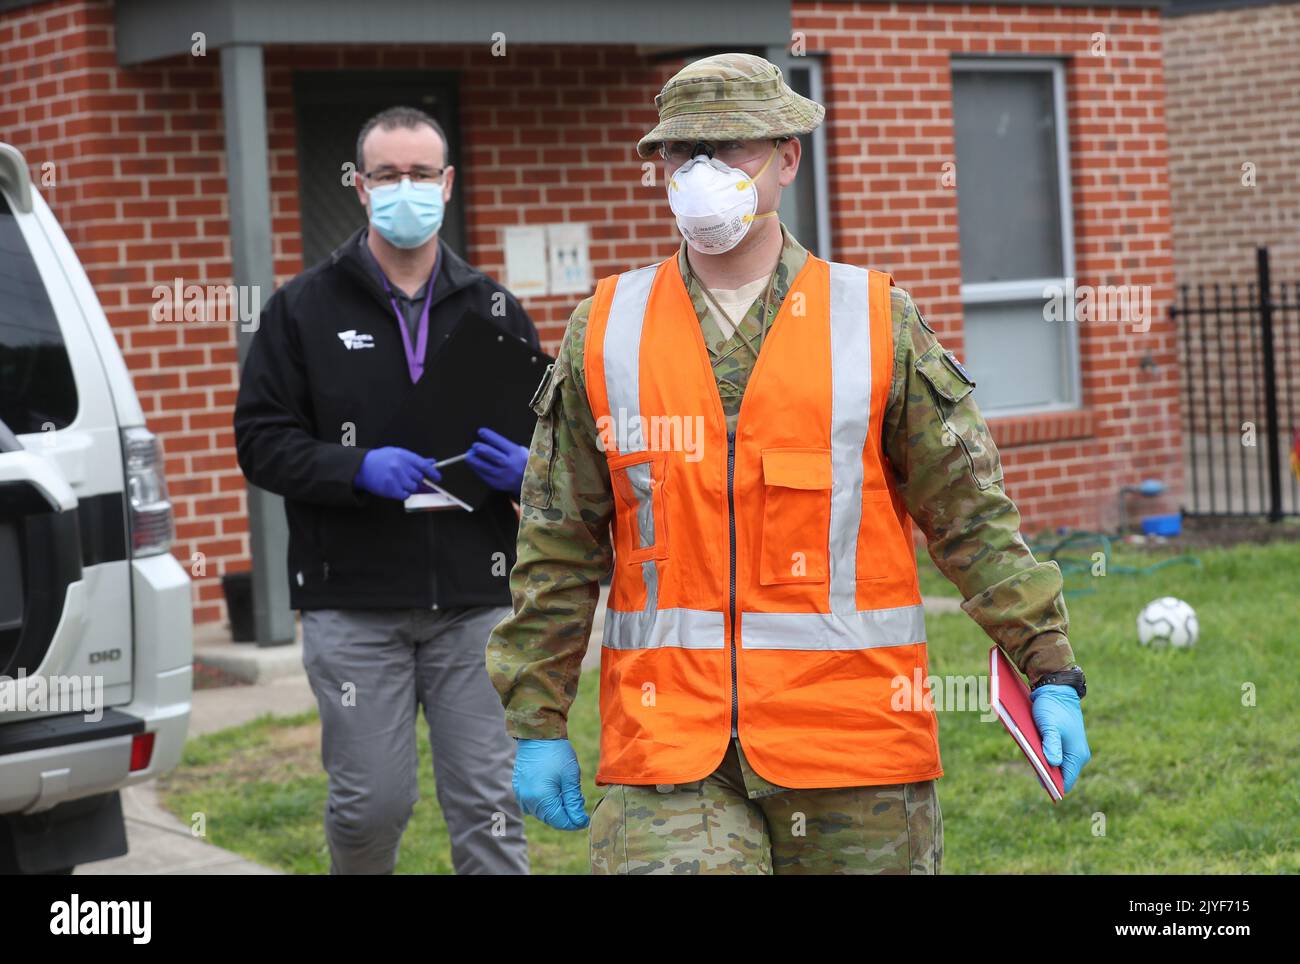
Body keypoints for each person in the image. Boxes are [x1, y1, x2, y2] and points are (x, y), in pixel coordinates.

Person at [487, 54, 1091, 875]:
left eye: (729, 148)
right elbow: (558, 542)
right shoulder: (605, 330)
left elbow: (970, 516)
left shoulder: (877, 320)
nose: (701, 173)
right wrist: (537, 718)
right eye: (680, 153)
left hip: (855, 742)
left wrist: (1047, 664)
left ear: (788, 157)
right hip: (672, 749)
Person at [234, 105, 534, 874]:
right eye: (389, 175)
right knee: (372, 805)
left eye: (422, 174)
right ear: (361, 188)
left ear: (449, 183)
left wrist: (525, 471)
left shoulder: (498, 310)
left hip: (475, 599)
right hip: (354, 604)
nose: (407, 189)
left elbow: (554, 453)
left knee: (490, 808)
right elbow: (261, 443)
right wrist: (354, 469)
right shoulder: (301, 309)